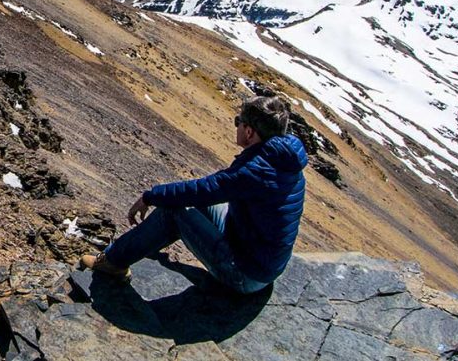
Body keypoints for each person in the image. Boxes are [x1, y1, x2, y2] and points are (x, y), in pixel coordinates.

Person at [81, 95, 307, 294]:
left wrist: (150, 196)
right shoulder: (284, 160)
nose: (236, 126)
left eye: (239, 122)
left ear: (249, 132)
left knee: (174, 212)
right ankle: (147, 242)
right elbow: (209, 193)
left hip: (245, 275)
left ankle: (113, 262)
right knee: (193, 203)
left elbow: (203, 189)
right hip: (262, 261)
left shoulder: (256, 171)